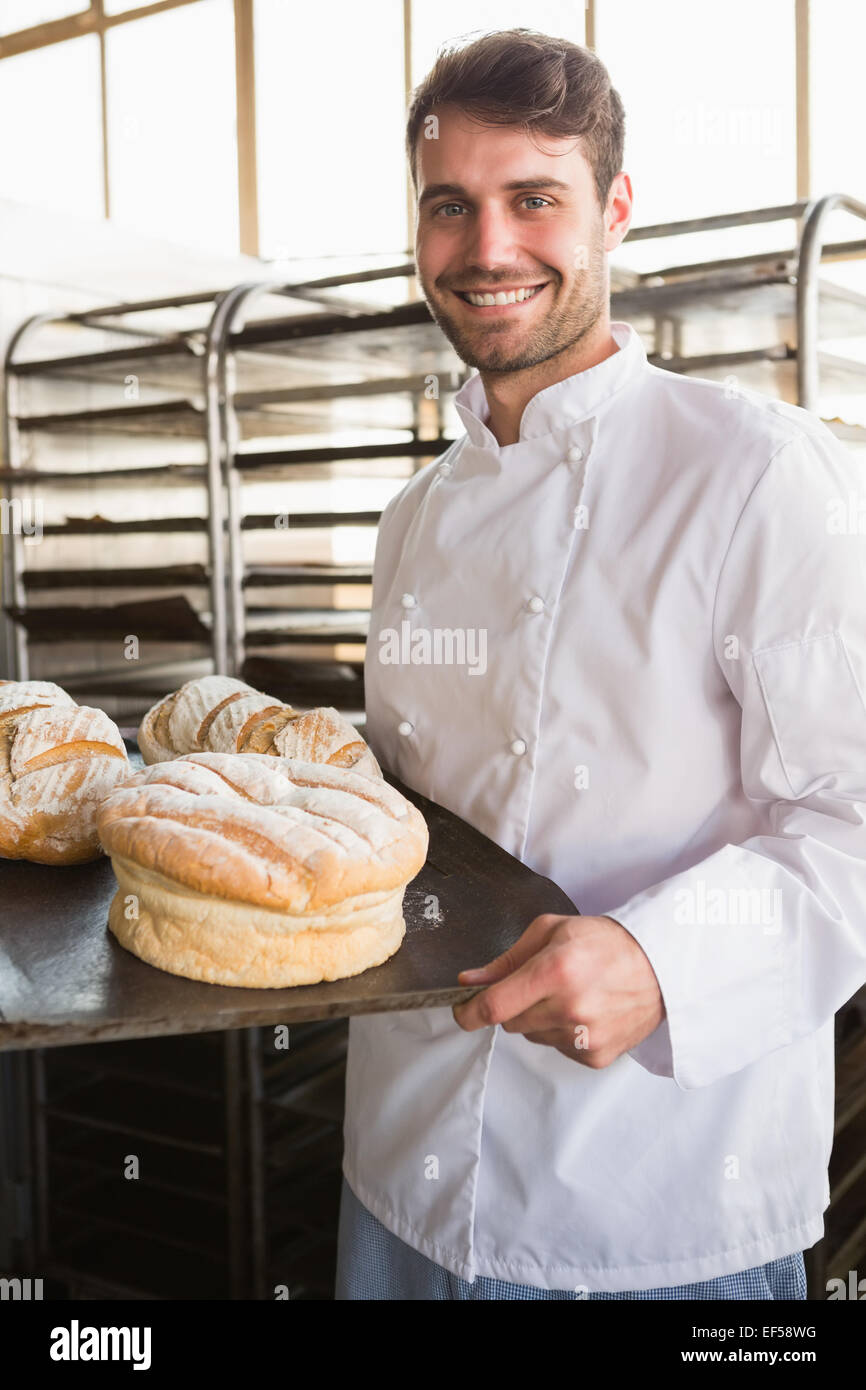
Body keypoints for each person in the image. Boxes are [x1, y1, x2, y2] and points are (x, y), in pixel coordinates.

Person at [335, 27, 866, 1300]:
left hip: (656, 1208)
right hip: (395, 1175)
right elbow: (418, 799)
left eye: (534, 199)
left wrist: (662, 961)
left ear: (613, 211)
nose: (488, 249)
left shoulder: (756, 472)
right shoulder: (416, 513)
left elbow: (850, 820)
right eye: (449, 207)